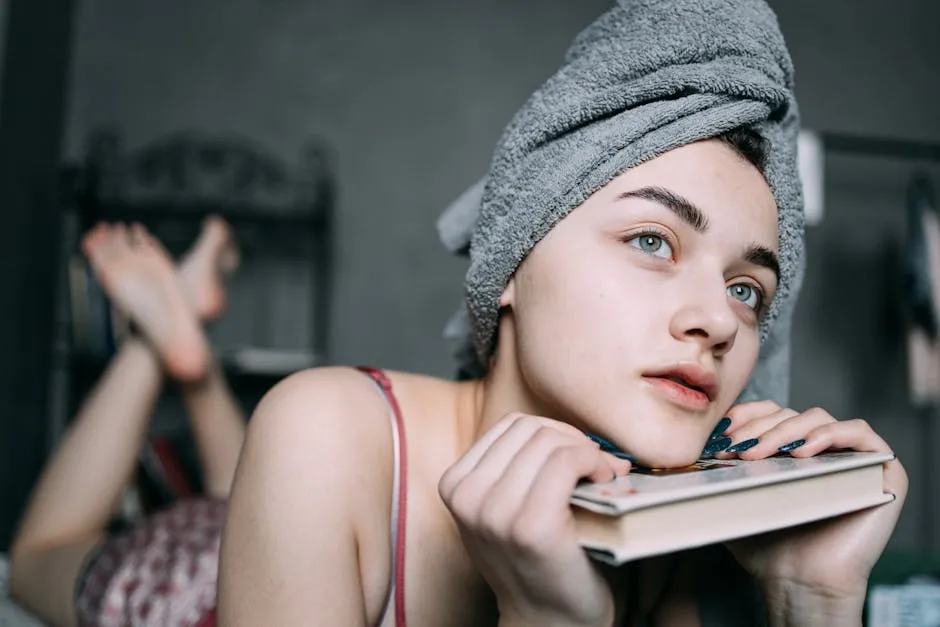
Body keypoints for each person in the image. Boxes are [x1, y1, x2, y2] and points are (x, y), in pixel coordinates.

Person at [218, 1, 908, 625]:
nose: (720, 322)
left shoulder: (701, 532)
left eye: (746, 288)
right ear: (512, 257)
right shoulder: (328, 439)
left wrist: (811, 602)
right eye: (651, 240)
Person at [10, 217, 245, 627]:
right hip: (250, 577)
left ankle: (157, 338)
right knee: (255, 509)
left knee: (34, 562)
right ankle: (173, 332)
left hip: (231, 572)